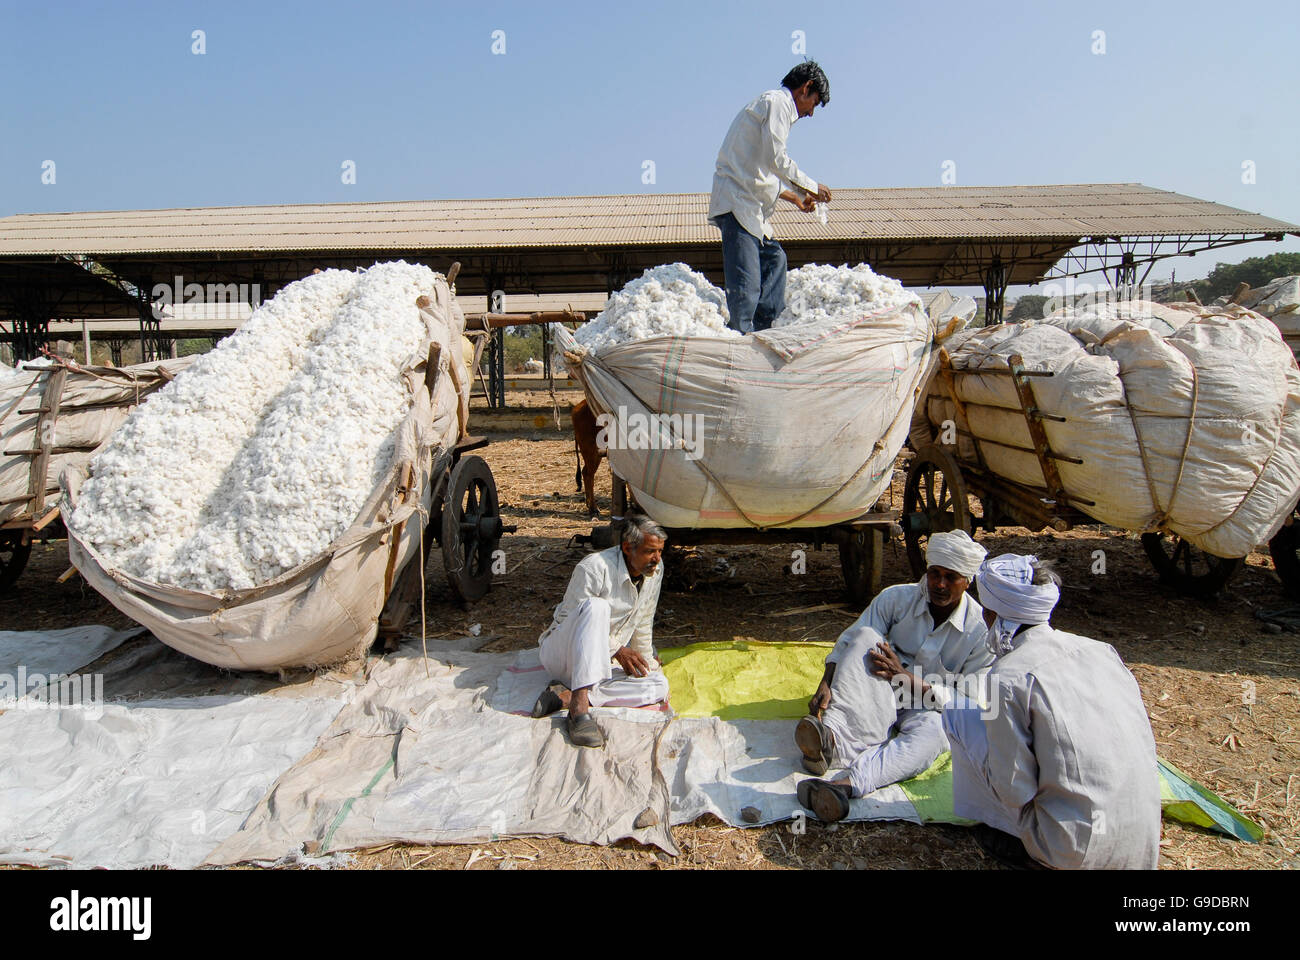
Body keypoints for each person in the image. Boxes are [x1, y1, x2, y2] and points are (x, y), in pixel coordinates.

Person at [898, 553, 1159, 869]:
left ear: (992, 614)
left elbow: (1014, 790)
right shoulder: (1099, 650)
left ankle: (1006, 835)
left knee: (958, 714)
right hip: (1141, 846)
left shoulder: (1006, 677)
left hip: (1069, 852)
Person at [794, 530, 990, 822]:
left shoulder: (980, 630)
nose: (939, 584)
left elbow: (972, 701)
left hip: (928, 705)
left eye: (951, 577)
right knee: (865, 636)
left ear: (968, 580)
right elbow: (850, 640)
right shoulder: (897, 598)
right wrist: (827, 680)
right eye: (934, 573)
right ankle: (829, 741)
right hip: (881, 685)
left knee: (935, 736)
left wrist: (907, 678)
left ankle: (845, 786)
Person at [708, 60, 832, 334]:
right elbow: (776, 158)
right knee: (747, 286)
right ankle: (740, 344)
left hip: (750, 206)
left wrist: (796, 198)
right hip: (737, 203)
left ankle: (766, 332)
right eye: (814, 102)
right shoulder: (778, 103)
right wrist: (810, 187)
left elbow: (761, 169)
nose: (811, 113)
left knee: (776, 260)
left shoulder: (774, 109)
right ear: (805, 88)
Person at [531, 514, 670, 748]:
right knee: (596, 607)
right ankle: (579, 710)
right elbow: (569, 620)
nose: (656, 559)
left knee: (658, 685)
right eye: (649, 551)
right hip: (563, 656)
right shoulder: (594, 567)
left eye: (659, 551)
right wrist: (617, 649)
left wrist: (645, 661)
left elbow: (644, 619)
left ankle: (566, 696)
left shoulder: (654, 571)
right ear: (628, 547)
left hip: (600, 664)